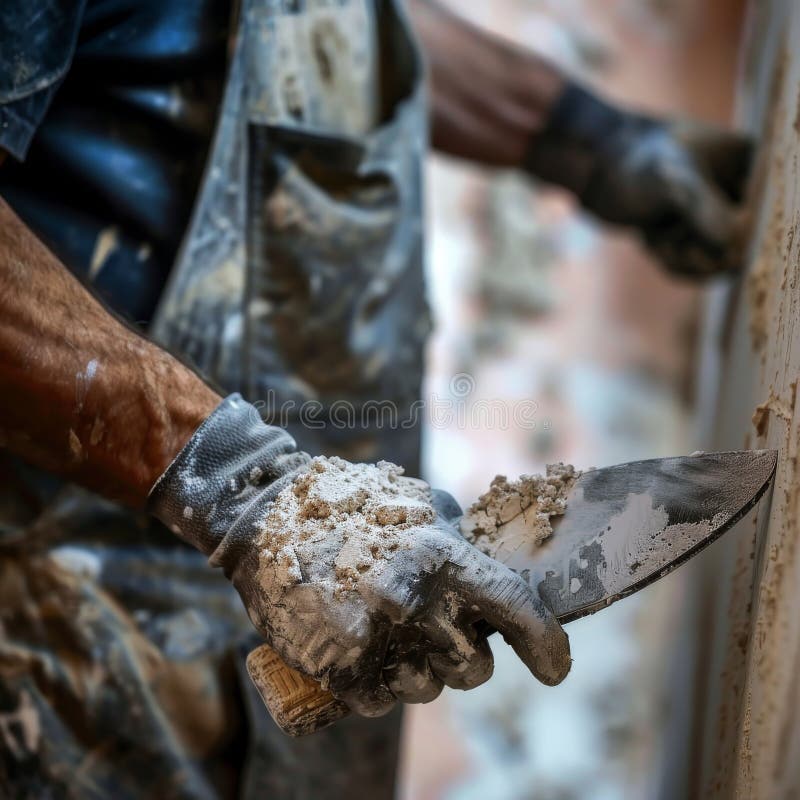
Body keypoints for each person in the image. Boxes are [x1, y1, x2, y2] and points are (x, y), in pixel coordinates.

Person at [0, 0, 750, 797]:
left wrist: (585, 138)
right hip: (89, 643)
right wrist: (244, 495)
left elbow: (310, 27)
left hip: (328, 597)